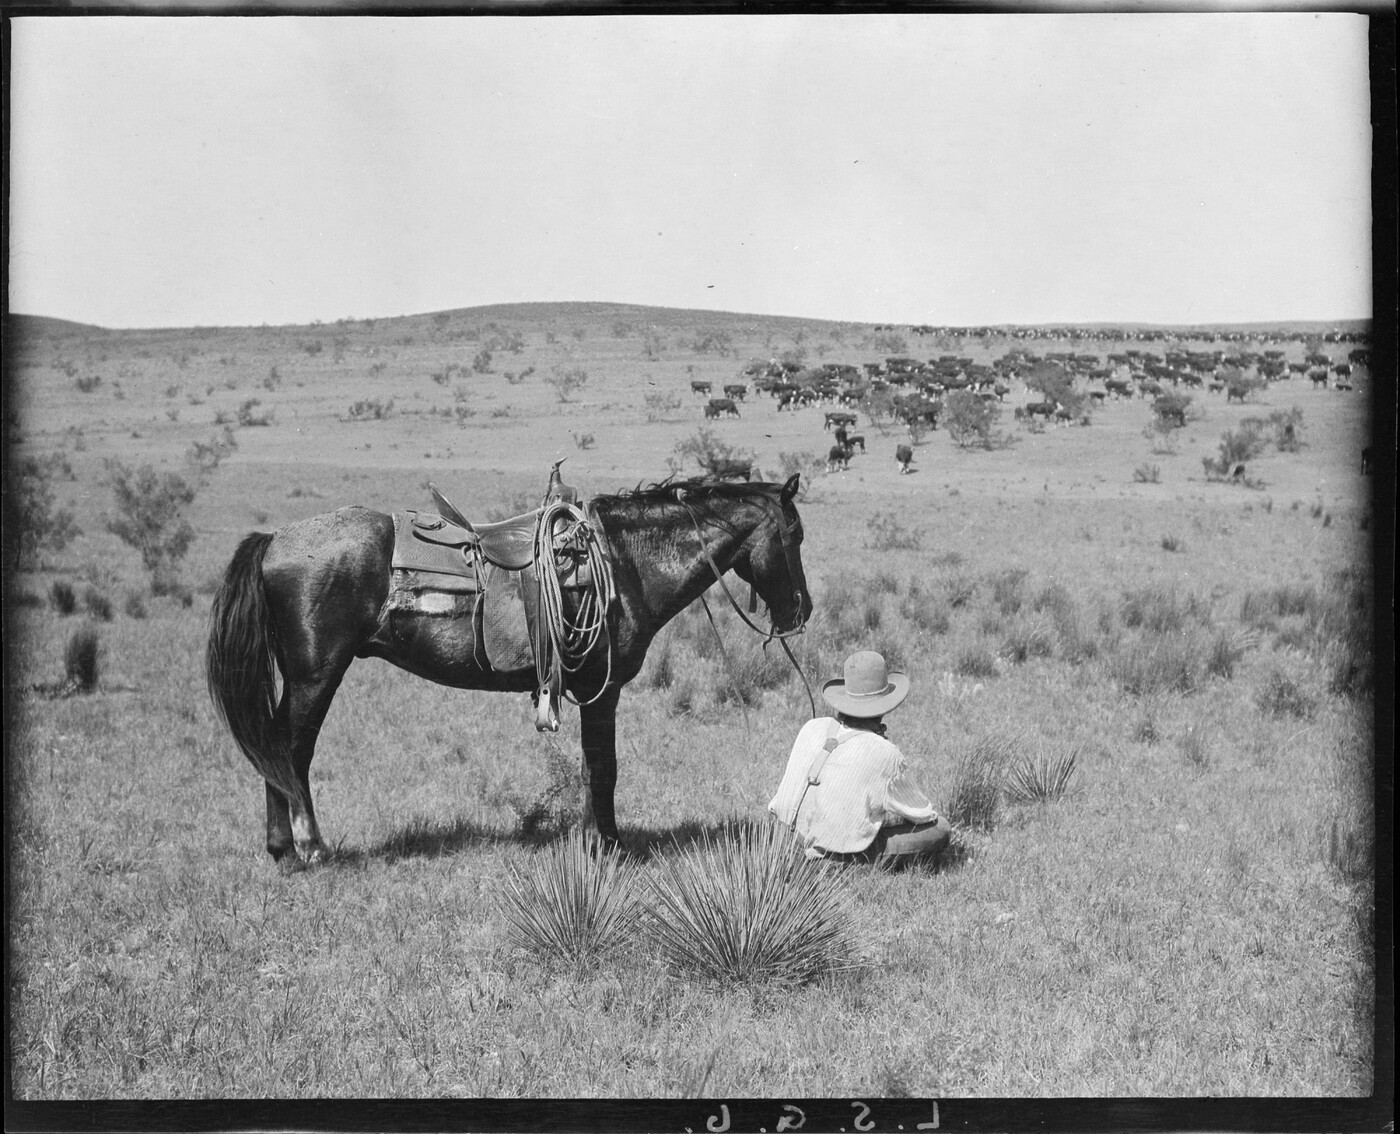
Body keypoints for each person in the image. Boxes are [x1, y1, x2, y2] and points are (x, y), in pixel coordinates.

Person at [768, 651, 951, 867]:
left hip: (783, 839)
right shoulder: (884, 752)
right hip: (830, 856)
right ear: (885, 704)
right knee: (940, 828)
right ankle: (849, 861)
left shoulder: (812, 726)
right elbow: (922, 814)